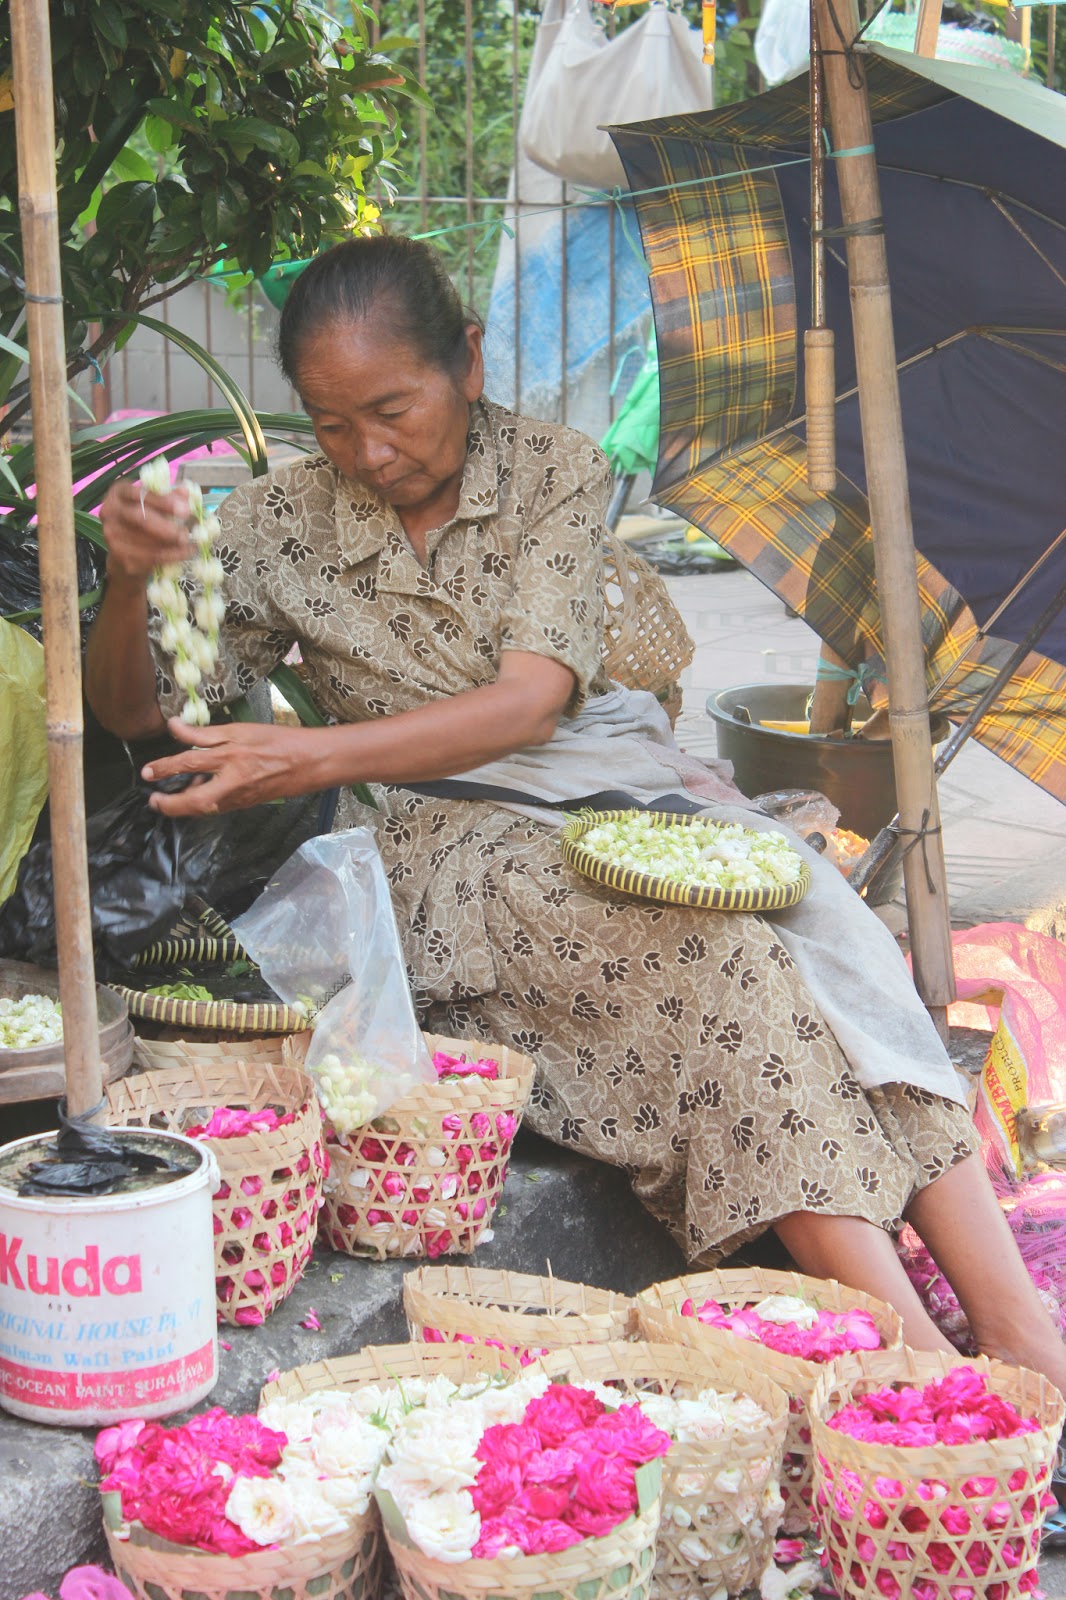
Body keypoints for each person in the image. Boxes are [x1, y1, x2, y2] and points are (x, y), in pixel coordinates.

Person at [87, 235, 1066, 1393]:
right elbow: (140, 714)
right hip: (445, 850)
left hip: (603, 791)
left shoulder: (551, 468)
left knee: (830, 939)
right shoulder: (276, 520)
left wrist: (303, 755)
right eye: (331, 421)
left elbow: (529, 700)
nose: (370, 449)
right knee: (730, 963)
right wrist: (133, 581)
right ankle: (918, 1373)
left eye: (394, 408)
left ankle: (1016, 1333)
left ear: (468, 358)